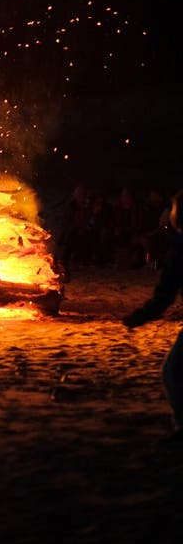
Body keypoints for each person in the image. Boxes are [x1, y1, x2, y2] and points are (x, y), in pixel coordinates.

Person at [123, 189, 183, 441]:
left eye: (174, 209)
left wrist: (139, 317)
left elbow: (166, 294)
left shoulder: (182, 246)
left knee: (173, 371)